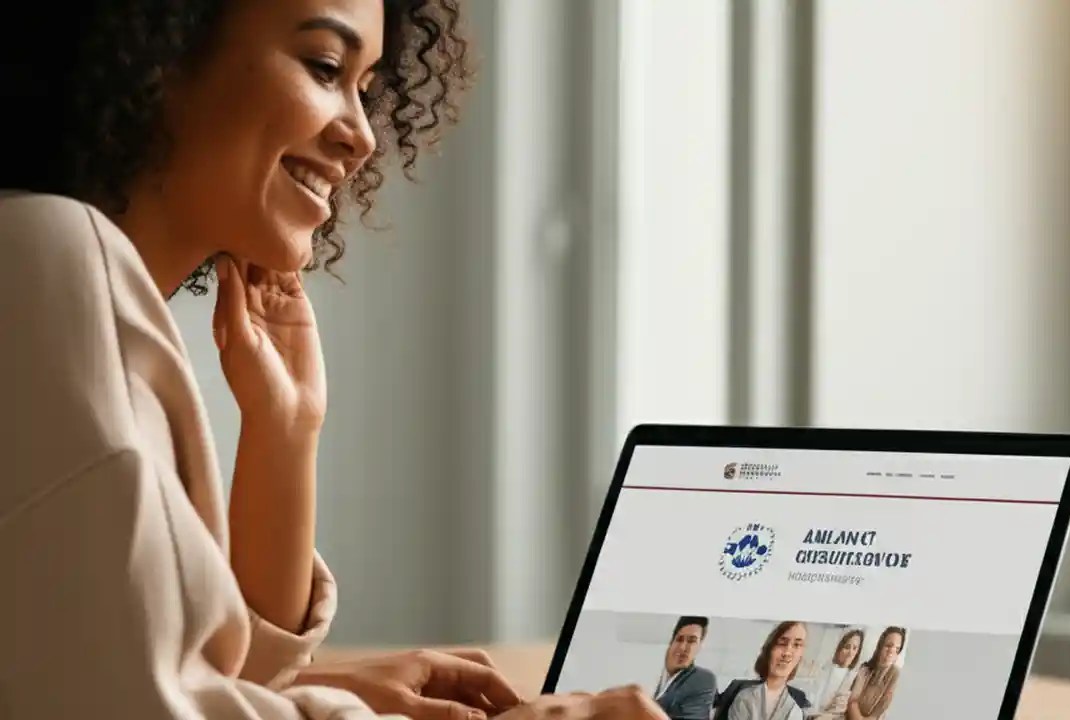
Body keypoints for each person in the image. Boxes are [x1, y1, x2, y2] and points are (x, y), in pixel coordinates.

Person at [0, 2, 666, 719]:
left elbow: (184, 674)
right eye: (324, 68)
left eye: (367, 87)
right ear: (160, 50)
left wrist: (284, 434)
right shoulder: (45, 254)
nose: (362, 136)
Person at [716, 622, 811, 720]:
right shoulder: (745, 697)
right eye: (782, 643)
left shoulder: (797, 707)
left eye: (797, 645)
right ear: (769, 650)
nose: (787, 653)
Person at [654, 616, 718, 720]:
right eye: (679, 639)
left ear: (699, 646)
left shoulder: (702, 679)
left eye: (692, 641)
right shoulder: (661, 676)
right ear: (672, 642)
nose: (683, 647)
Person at [844, 627, 906, 720]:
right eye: (889, 645)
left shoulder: (896, 674)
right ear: (880, 646)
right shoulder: (865, 669)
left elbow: (882, 708)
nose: (891, 651)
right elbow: (852, 701)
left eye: (897, 649)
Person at [806, 628, 863, 719]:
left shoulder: (854, 677)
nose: (850, 653)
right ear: (839, 648)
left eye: (855, 648)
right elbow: (813, 700)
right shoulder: (825, 670)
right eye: (847, 647)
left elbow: (840, 710)